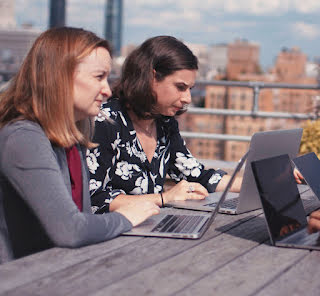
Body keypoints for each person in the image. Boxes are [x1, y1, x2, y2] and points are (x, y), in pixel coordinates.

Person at [0, 27, 160, 263]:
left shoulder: (73, 136)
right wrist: (126, 217)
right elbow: (71, 230)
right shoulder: (24, 138)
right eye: (99, 77)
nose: (107, 90)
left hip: (62, 267)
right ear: (59, 77)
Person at [88, 35, 242, 214]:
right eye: (180, 87)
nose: (187, 99)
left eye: (190, 89)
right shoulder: (104, 122)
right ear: (152, 78)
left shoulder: (165, 124)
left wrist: (255, 183)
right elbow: (95, 199)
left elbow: (197, 175)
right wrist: (164, 198)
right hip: (112, 234)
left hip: (148, 228)